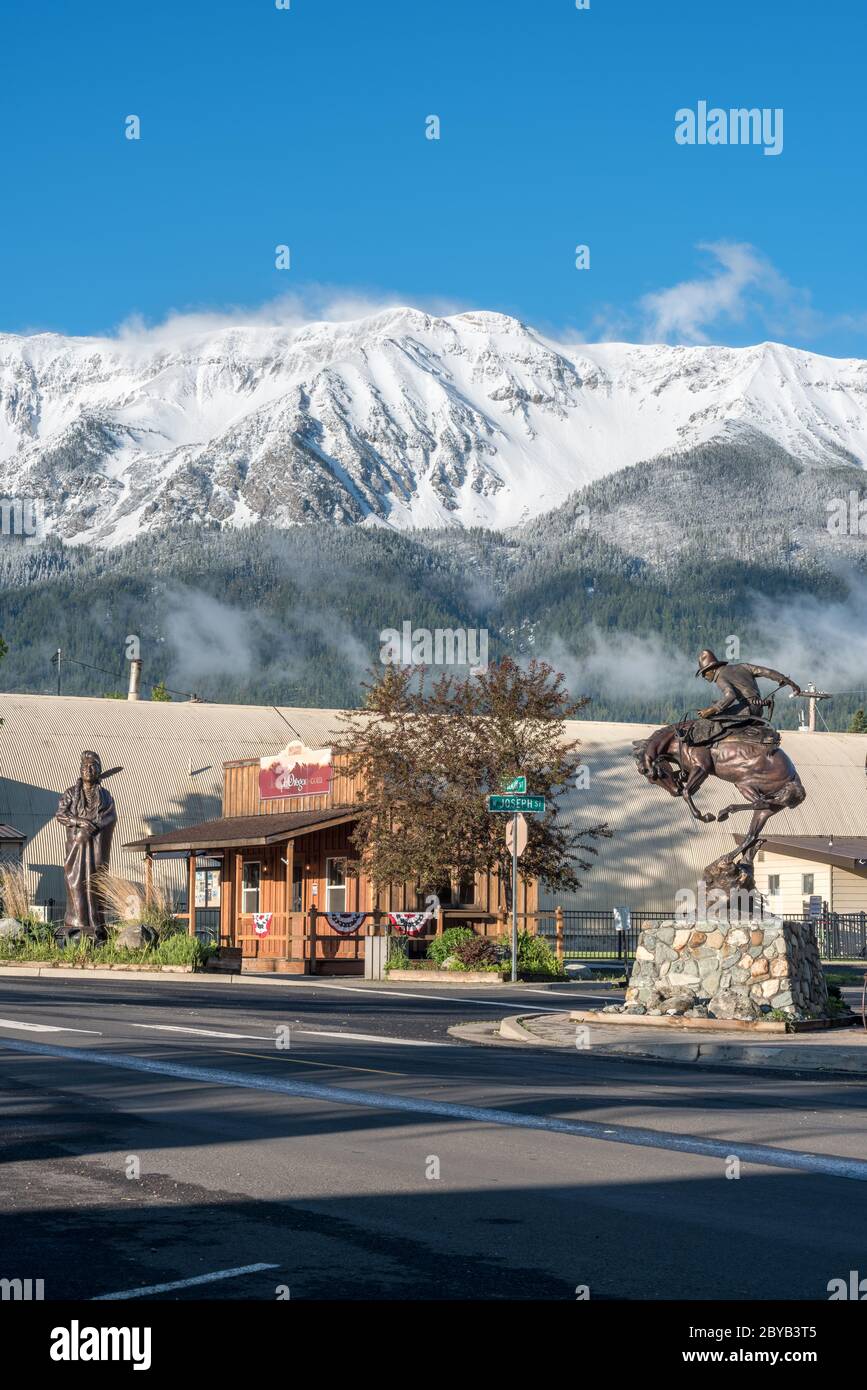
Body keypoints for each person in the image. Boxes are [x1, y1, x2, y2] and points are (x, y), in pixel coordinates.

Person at [55, 750, 117, 939]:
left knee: (96, 883)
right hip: (77, 847)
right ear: (80, 770)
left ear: (99, 770)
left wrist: (95, 826)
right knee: (75, 882)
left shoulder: (105, 796)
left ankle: (96, 922)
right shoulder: (70, 793)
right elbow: (60, 814)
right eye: (85, 767)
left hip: (96, 846)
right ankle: (77, 922)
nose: (88, 770)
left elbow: (111, 816)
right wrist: (80, 823)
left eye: (92, 766)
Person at [688, 649, 802, 749]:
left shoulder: (720, 678)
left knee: (709, 723)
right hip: (758, 709)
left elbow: (730, 696)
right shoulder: (743, 666)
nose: (704, 676)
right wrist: (790, 683)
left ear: (712, 669)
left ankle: (707, 752)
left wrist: (710, 710)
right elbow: (767, 672)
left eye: (704, 672)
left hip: (747, 710)